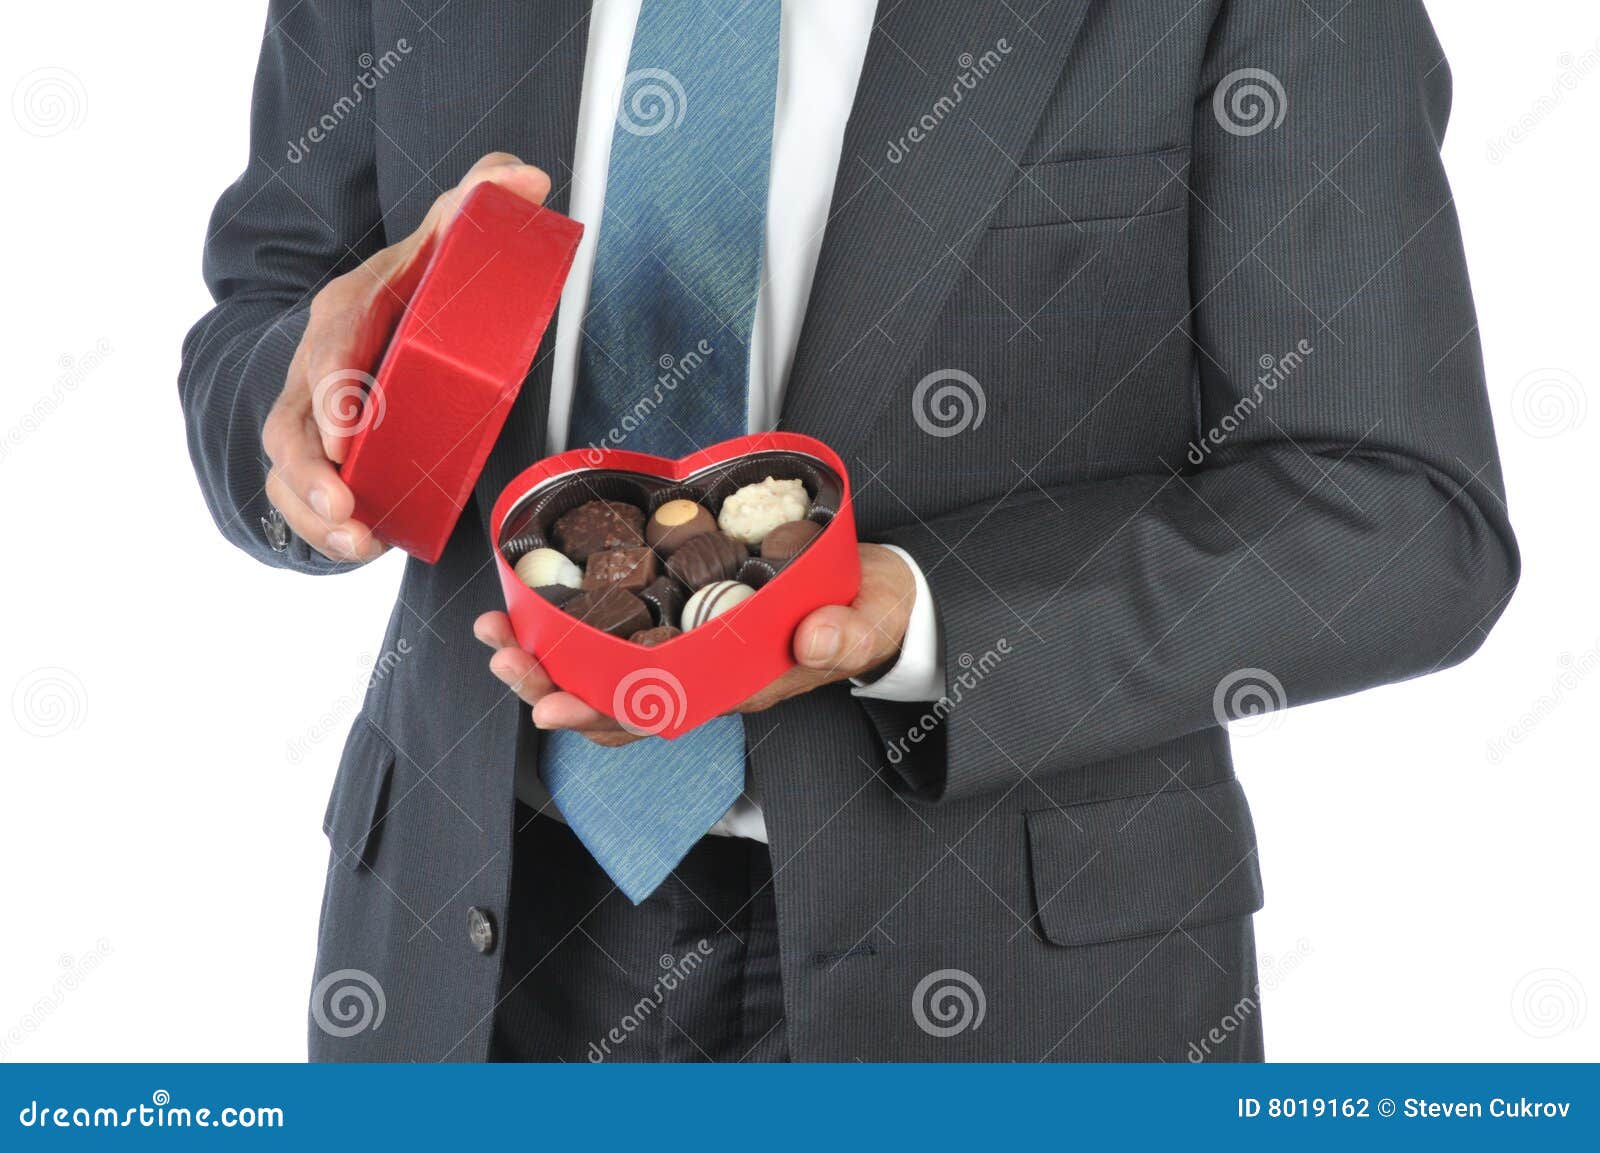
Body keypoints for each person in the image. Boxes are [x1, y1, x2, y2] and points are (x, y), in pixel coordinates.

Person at [180, 0, 1517, 1061]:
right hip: (466, 949)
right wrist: (296, 419)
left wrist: (922, 619)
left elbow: (1399, 509)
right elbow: (270, 300)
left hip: (1011, 979)